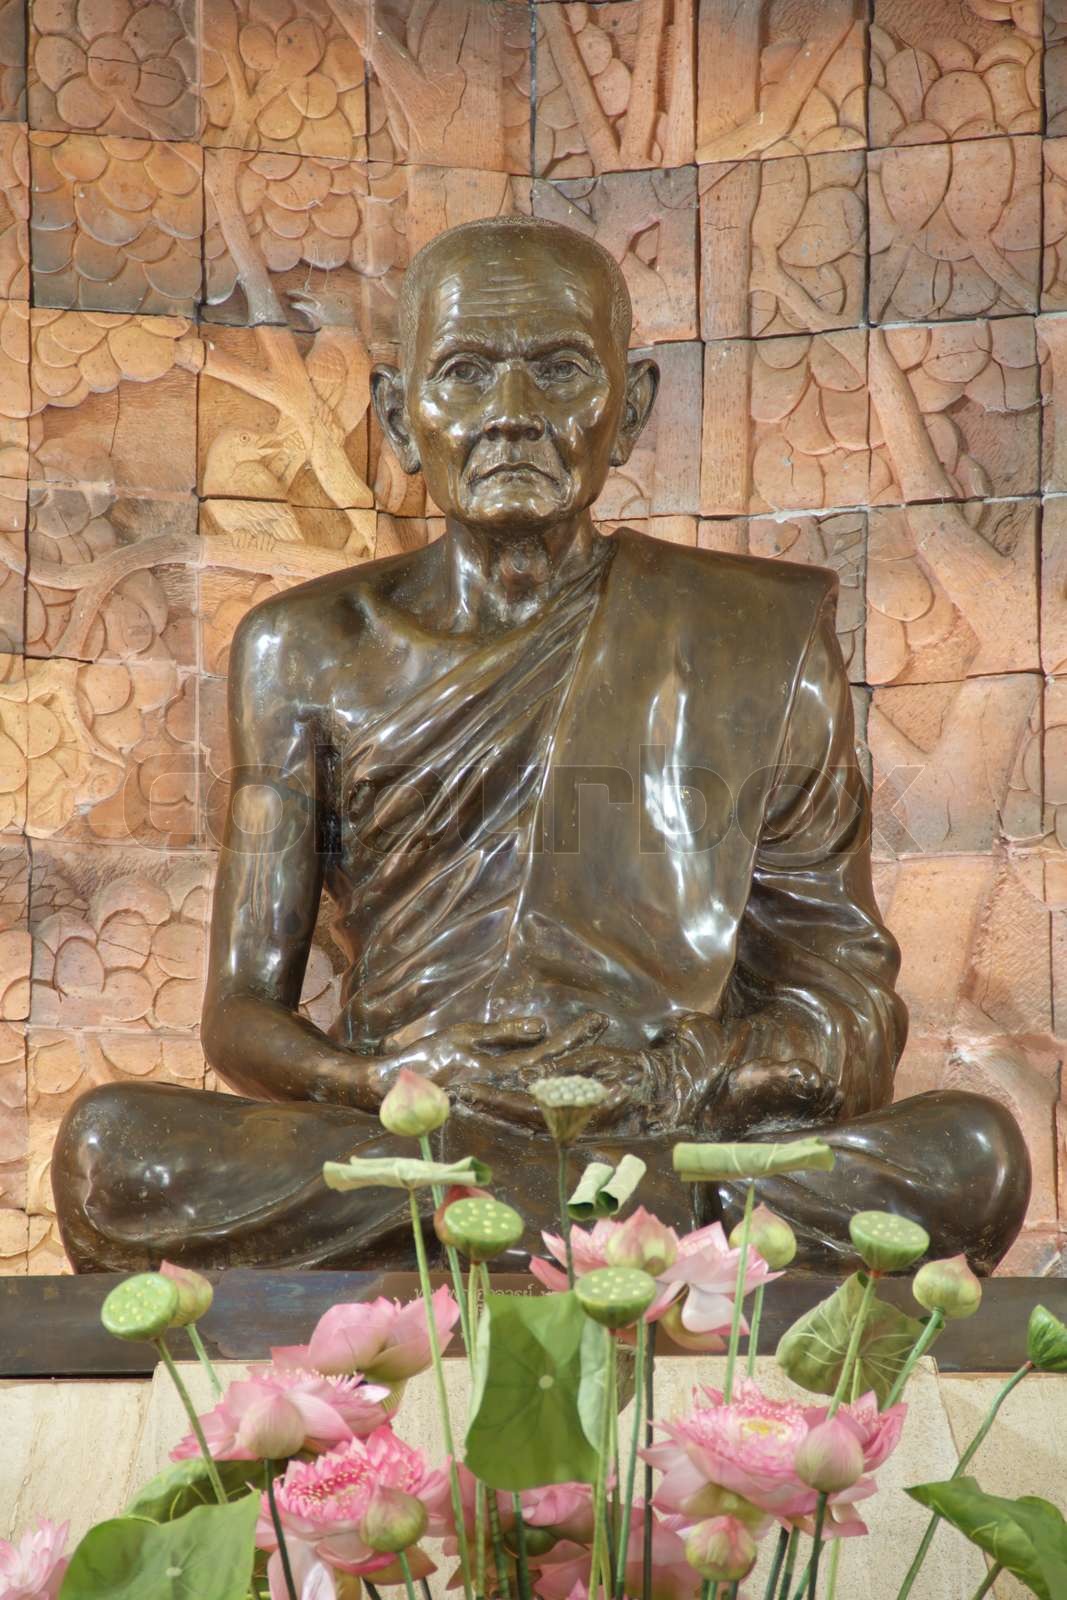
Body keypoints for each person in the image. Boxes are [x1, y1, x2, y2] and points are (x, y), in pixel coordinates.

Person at [53, 218, 1030, 1274]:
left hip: (668, 1122)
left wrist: (679, 1078)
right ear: (396, 413)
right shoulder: (302, 648)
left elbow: (843, 1006)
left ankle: (514, 1214)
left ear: (629, 408)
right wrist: (379, 1083)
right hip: (414, 1130)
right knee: (111, 1154)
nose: (509, 417)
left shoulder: (752, 634)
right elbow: (244, 1012)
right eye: (465, 375)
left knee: (971, 1155)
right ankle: (605, 1223)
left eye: (558, 370)